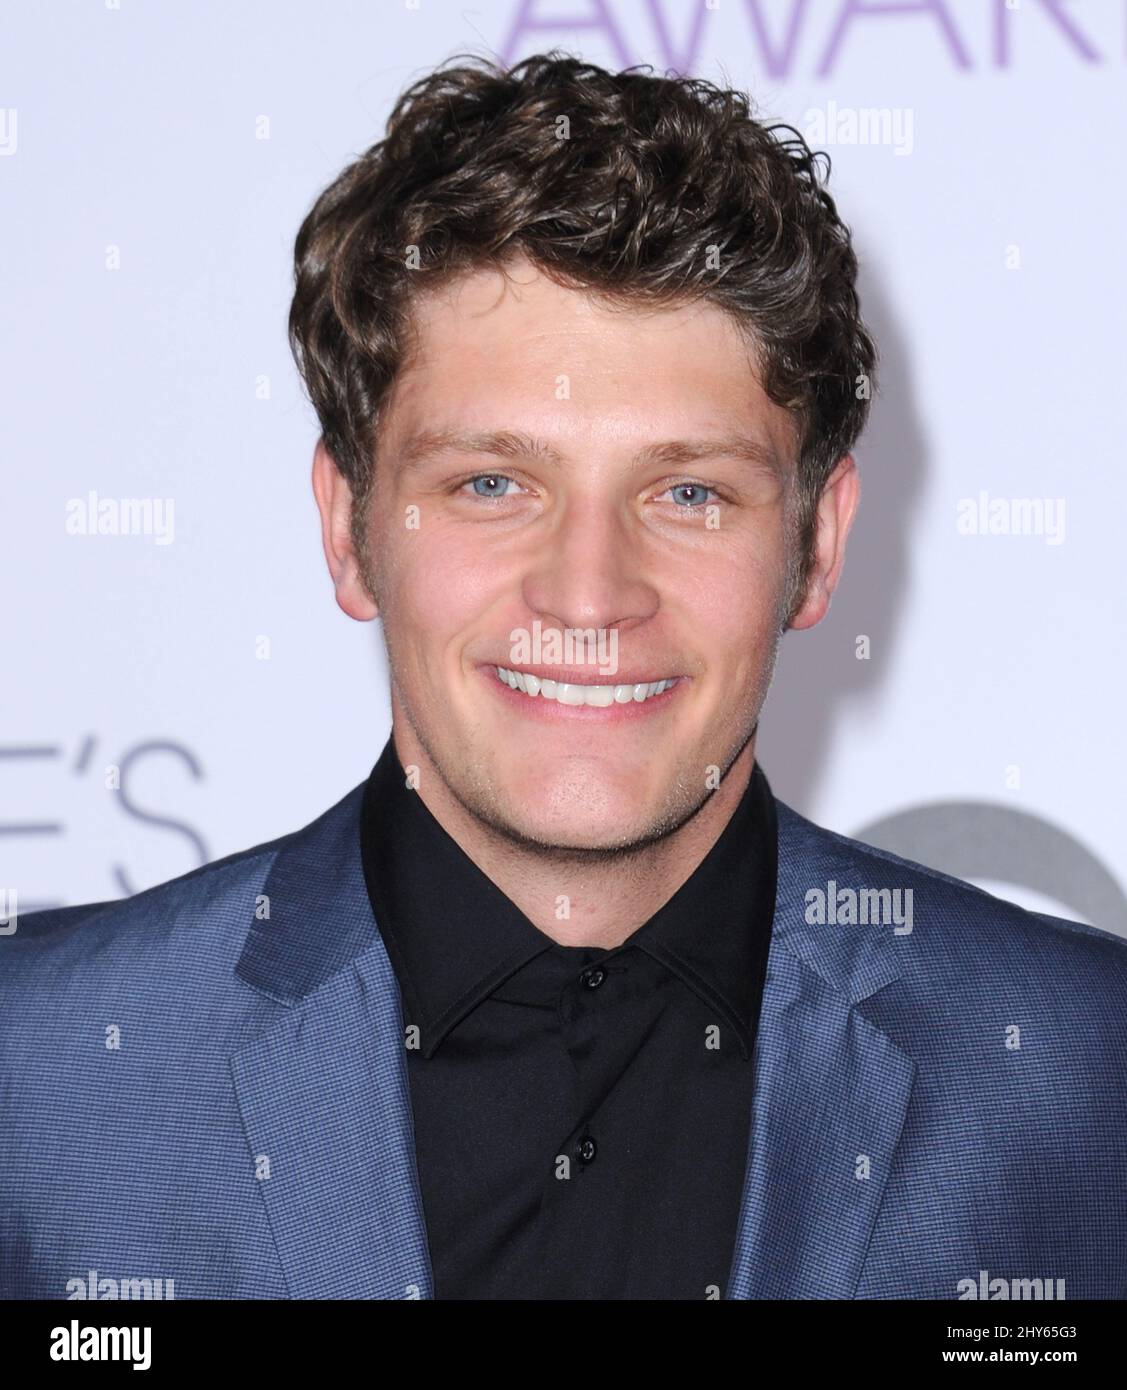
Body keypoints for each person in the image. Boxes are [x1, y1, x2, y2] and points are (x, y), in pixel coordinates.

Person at [3, 53, 1124, 1302]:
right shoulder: (38, 1075)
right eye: (492, 483)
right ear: (348, 527)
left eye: (688, 492)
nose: (588, 593)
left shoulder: (1085, 1074)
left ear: (815, 545)